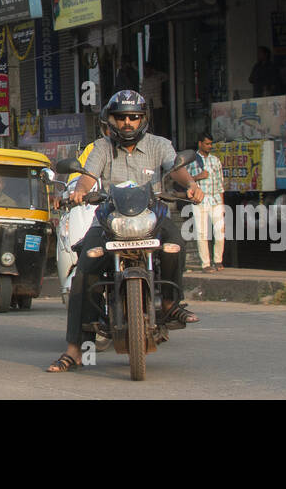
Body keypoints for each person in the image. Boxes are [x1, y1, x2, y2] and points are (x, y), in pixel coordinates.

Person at [47, 90, 203, 373]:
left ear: (143, 119)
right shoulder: (102, 148)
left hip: (152, 218)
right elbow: (87, 177)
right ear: (111, 120)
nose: (128, 123)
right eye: (121, 117)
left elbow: (175, 168)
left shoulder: (160, 145)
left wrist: (190, 184)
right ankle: (75, 350)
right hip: (108, 221)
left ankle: (169, 303)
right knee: (83, 272)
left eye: (134, 117)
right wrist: (80, 193)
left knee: (176, 244)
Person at [191, 132, 226, 271]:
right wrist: (199, 176)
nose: (209, 146)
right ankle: (205, 263)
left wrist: (222, 205)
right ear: (200, 143)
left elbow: (220, 184)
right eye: (207, 144)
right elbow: (184, 180)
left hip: (215, 199)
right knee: (202, 233)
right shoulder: (192, 159)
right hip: (199, 200)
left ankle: (218, 260)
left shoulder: (215, 160)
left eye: (211, 144)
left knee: (220, 231)